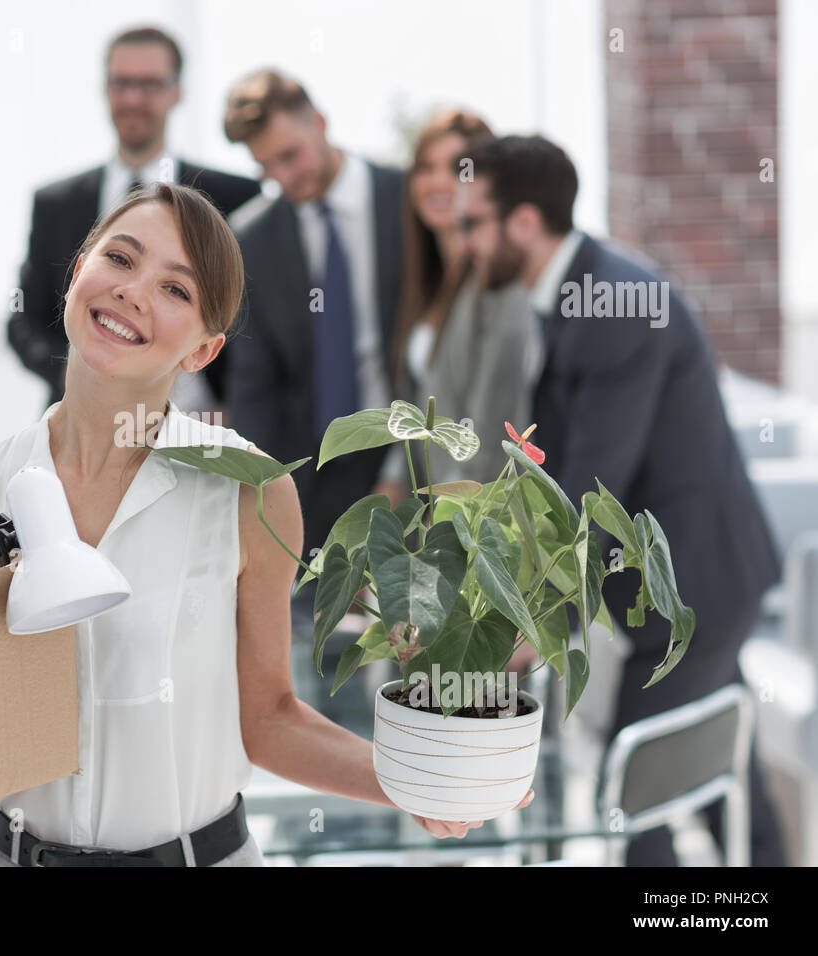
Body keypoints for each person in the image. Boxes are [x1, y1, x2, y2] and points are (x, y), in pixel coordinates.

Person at [0, 182, 532, 863]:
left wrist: (414, 777)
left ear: (203, 350)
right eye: (119, 258)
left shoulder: (245, 494)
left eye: (176, 289)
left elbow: (269, 719)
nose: (134, 293)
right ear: (75, 275)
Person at [456, 133, 787, 866]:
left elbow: (591, 493)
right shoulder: (580, 290)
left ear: (523, 223)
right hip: (696, 581)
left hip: (694, 587)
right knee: (718, 771)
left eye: (470, 223)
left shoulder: (617, 305)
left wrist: (535, 627)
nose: (462, 243)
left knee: (635, 788)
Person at [6, 26, 260, 417]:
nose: (132, 98)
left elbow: (256, 320)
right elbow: (23, 320)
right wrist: (83, 372)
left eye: (150, 85)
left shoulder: (237, 198)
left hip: (205, 426)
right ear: (105, 89)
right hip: (83, 420)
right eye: (121, 83)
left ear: (177, 92)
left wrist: (236, 404)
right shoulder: (56, 203)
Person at [221, 69, 405, 571]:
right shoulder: (251, 237)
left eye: (289, 155)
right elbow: (253, 381)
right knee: (319, 629)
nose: (282, 178)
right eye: (265, 168)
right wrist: (258, 490)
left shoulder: (407, 200)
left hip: (409, 448)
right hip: (312, 467)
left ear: (320, 123)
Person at [378, 109, 535, 500]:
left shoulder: (498, 288)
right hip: (427, 514)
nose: (437, 182)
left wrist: (448, 525)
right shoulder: (425, 282)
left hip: (472, 521)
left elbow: (490, 434)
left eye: (456, 169)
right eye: (425, 168)